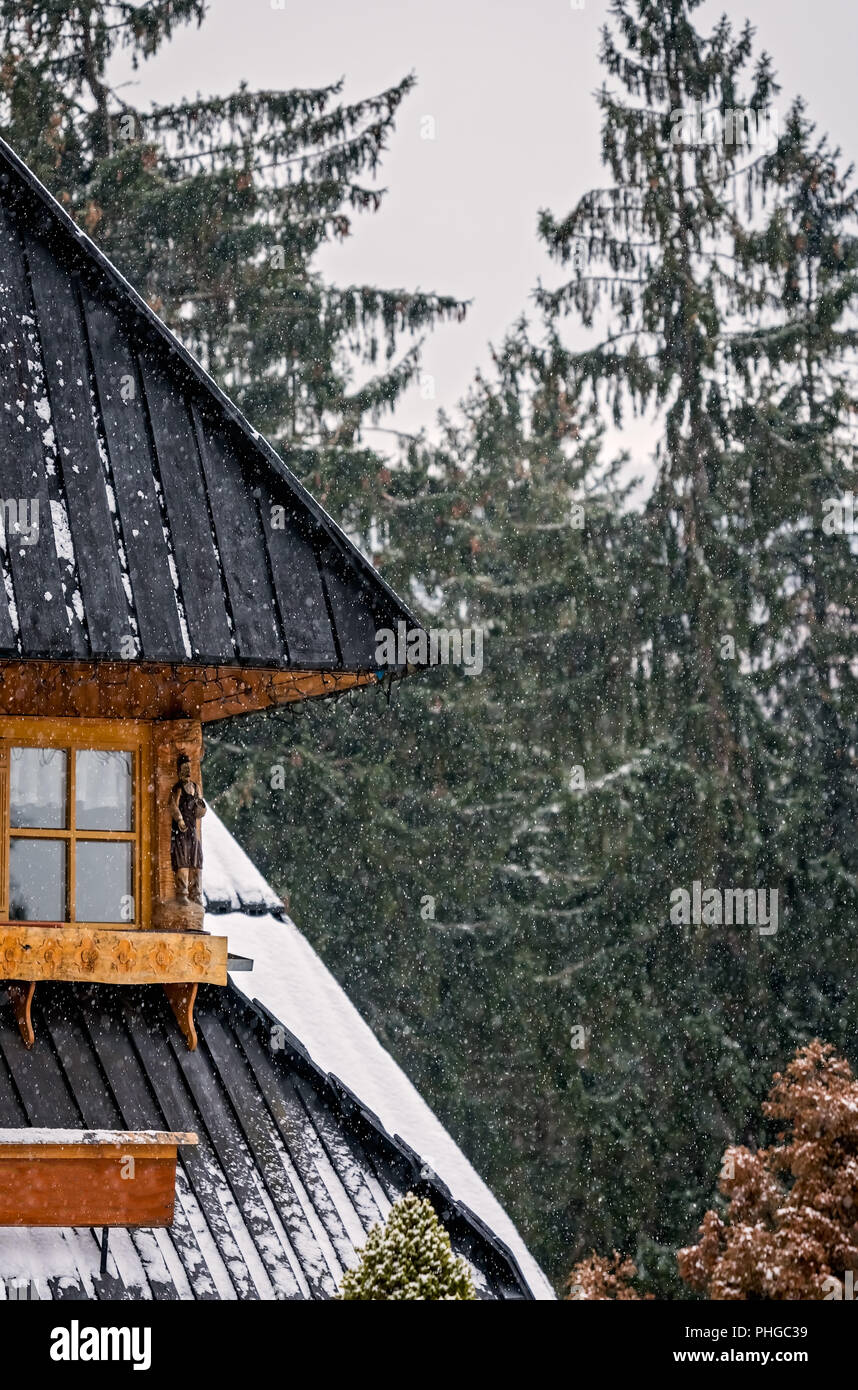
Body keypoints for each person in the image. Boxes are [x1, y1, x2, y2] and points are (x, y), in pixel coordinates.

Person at [168, 755, 206, 904]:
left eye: (188, 768)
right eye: (184, 769)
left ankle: (196, 892)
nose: (187, 771)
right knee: (182, 860)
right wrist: (179, 819)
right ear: (179, 771)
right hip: (180, 830)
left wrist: (200, 807)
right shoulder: (177, 789)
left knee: (196, 859)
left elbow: (200, 810)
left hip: (192, 830)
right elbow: (172, 805)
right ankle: (182, 892)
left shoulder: (195, 788)